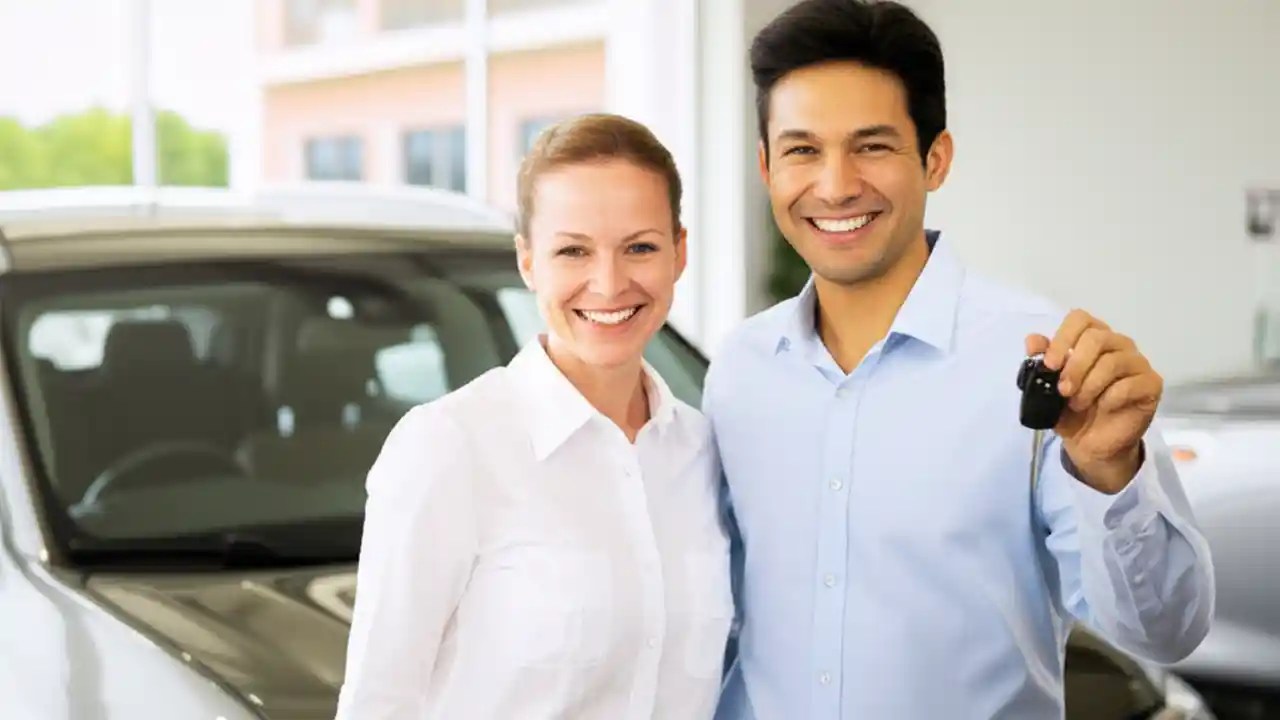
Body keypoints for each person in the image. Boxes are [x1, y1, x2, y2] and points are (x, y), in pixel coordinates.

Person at [704, 2, 1215, 718]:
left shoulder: (1050, 361)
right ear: (766, 166)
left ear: (935, 159)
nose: (836, 183)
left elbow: (1164, 631)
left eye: (872, 146)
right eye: (801, 150)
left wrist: (1109, 476)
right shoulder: (738, 372)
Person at [334, 113, 733, 720]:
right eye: (573, 250)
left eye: (640, 247)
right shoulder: (449, 447)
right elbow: (378, 705)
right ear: (527, 261)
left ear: (679, 253)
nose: (609, 282)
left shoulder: (704, 455)